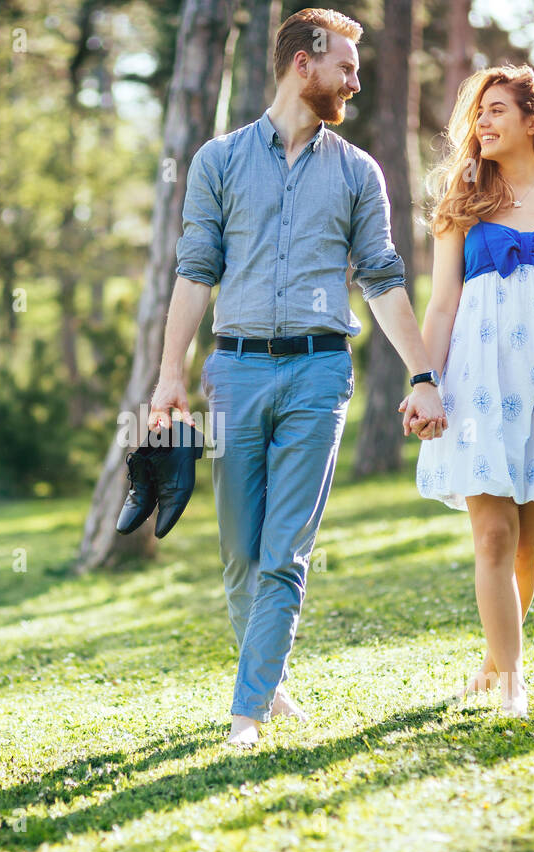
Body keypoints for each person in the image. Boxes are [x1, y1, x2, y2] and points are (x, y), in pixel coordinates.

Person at [149, 7, 446, 748]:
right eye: (345, 64)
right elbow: (192, 275)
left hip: (319, 371)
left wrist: (423, 374)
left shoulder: (358, 172)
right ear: (301, 64)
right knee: (240, 552)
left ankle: (245, 714)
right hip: (236, 371)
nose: (355, 79)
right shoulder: (218, 162)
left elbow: (382, 279)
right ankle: (270, 682)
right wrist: (167, 381)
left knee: (284, 550)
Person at [406, 64, 534, 717]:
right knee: (493, 538)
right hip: (477, 387)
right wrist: (425, 383)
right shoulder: (462, 203)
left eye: (497, 109)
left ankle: (496, 659)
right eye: (479, 112)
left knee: (526, 546)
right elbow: (441, 307)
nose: (484, 122)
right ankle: (512, 682)